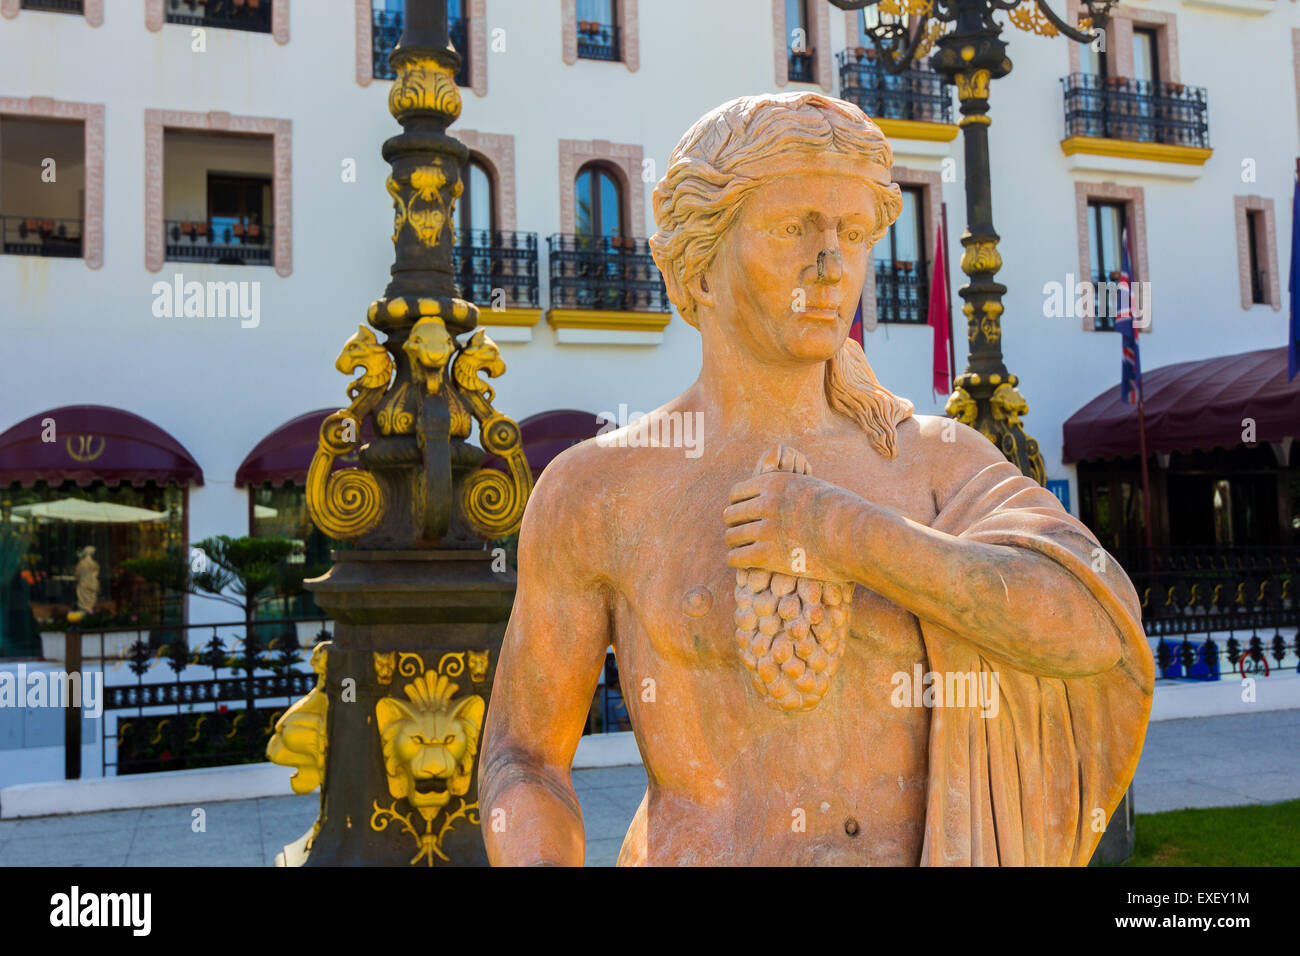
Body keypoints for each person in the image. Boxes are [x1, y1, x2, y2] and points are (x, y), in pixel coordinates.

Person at [479, 93, 1152, 866]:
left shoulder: (933, 461)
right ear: (698, 265)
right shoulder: (599, 489)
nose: (832, 265)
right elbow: (524, 758)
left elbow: (1095, 625)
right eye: (793, 228)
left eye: (855, 234)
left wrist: (847, 534)